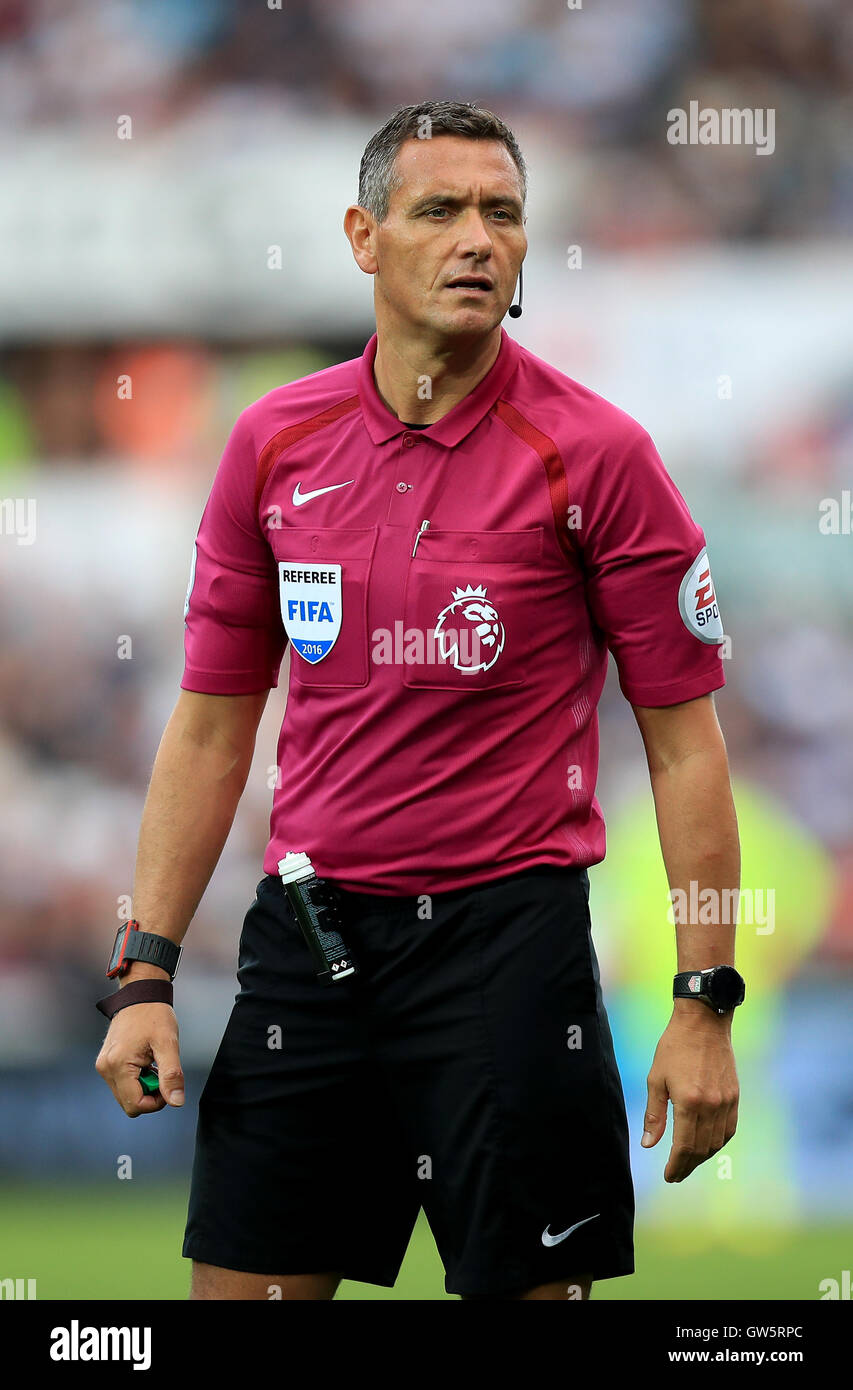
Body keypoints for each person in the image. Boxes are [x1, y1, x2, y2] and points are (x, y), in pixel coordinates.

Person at [94, 100, 742, 1302]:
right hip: (311, 945)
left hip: (509, 954)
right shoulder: (272, 444)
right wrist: (144, 977)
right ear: (362, 235)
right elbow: (210, 726)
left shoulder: (599, 457)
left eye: (502, 213)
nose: (477, 240)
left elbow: (686, 752)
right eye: (439, 210)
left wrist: (704, 997)